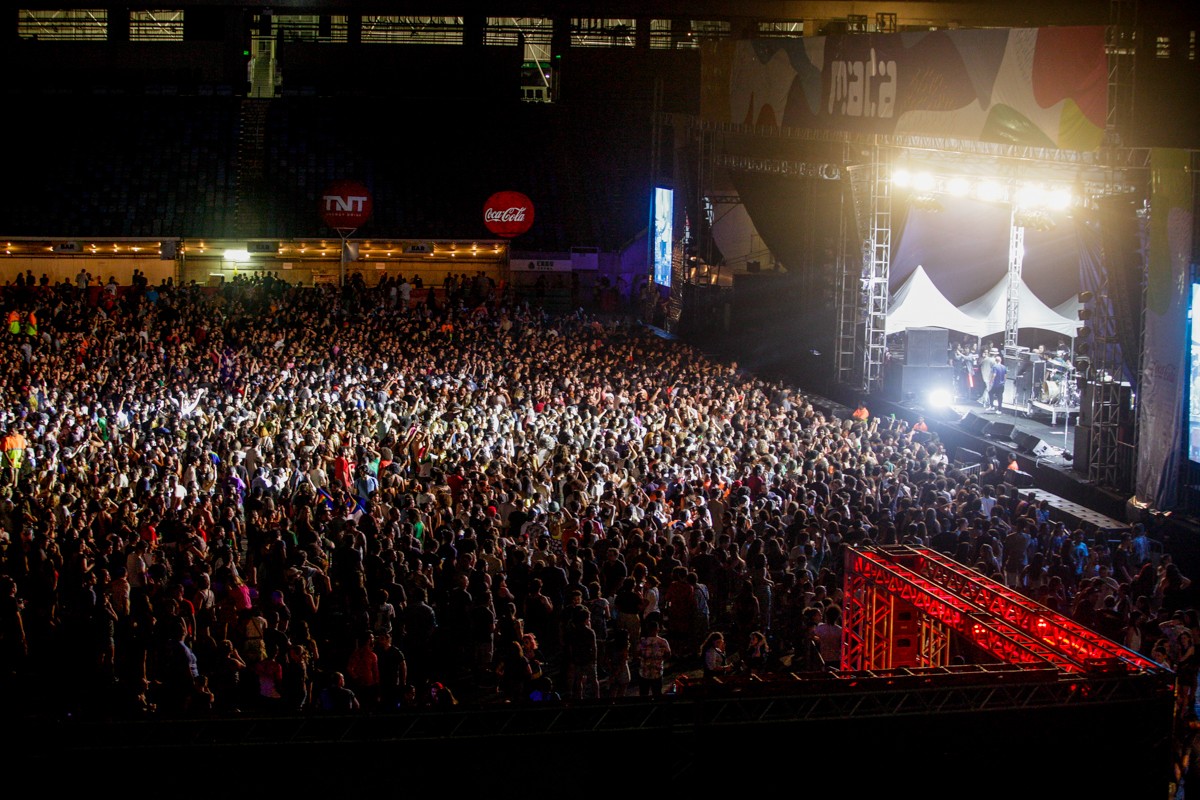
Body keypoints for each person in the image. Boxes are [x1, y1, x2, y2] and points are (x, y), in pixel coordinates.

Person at [636, 620, 671, 698]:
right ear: (657, 629)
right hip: (657, 672)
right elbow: (668, 654)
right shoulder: (663, 642)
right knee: (657, 694)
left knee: (643, 694)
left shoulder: (643, 641)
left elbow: (637, 653)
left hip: (644, 672)